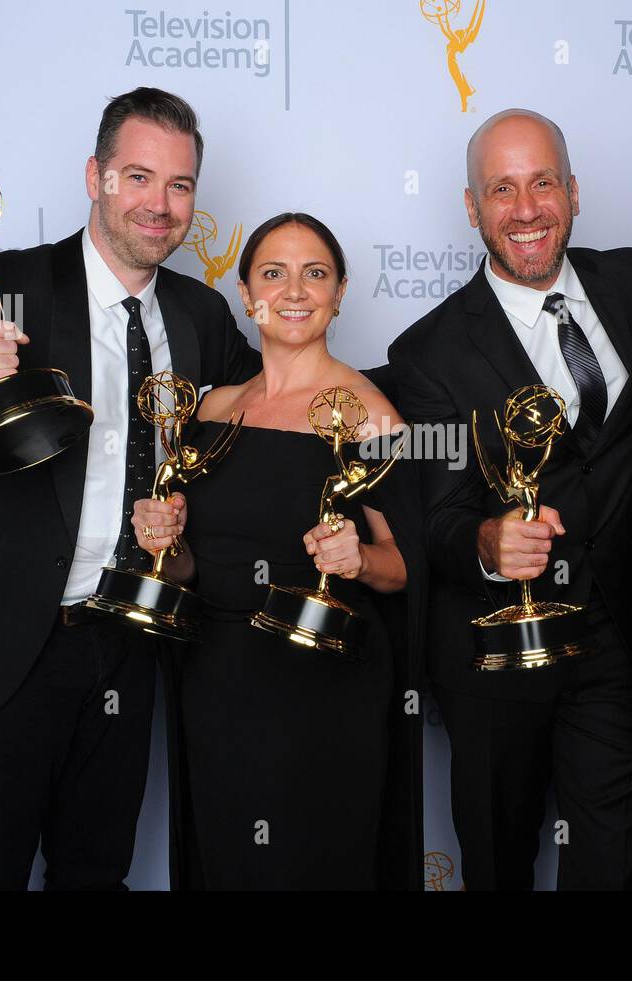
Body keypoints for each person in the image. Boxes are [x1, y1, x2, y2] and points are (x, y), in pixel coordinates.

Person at [0, 87, 261, 889]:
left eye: (179, 186)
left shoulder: (203, 318)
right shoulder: (3, 285)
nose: (159, 205)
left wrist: (398, 404)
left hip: (124, 652)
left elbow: (267, 415)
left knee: (95, 876)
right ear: (95, 176)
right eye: (138, 177)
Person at [388, 109, 632, 890]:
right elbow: (441, 515)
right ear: (471, 206)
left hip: (620, 640)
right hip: (495, 658)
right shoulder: (427, 352)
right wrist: (486, 543)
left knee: (612, 859)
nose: (526, 210)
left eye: (543, 182)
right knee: (498, 859)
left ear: (575, 190)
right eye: (502, 188)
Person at [132, 213, 417, 890]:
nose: (295, 290)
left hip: (320, 692)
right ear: (245, 292)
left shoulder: (371, 414)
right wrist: (161, 544)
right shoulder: (211, 410)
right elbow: (191, 567)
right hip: (215, 682)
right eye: (273, 272)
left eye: (315, 272)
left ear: (340, 291)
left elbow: (406, 566)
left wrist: (356, 558)